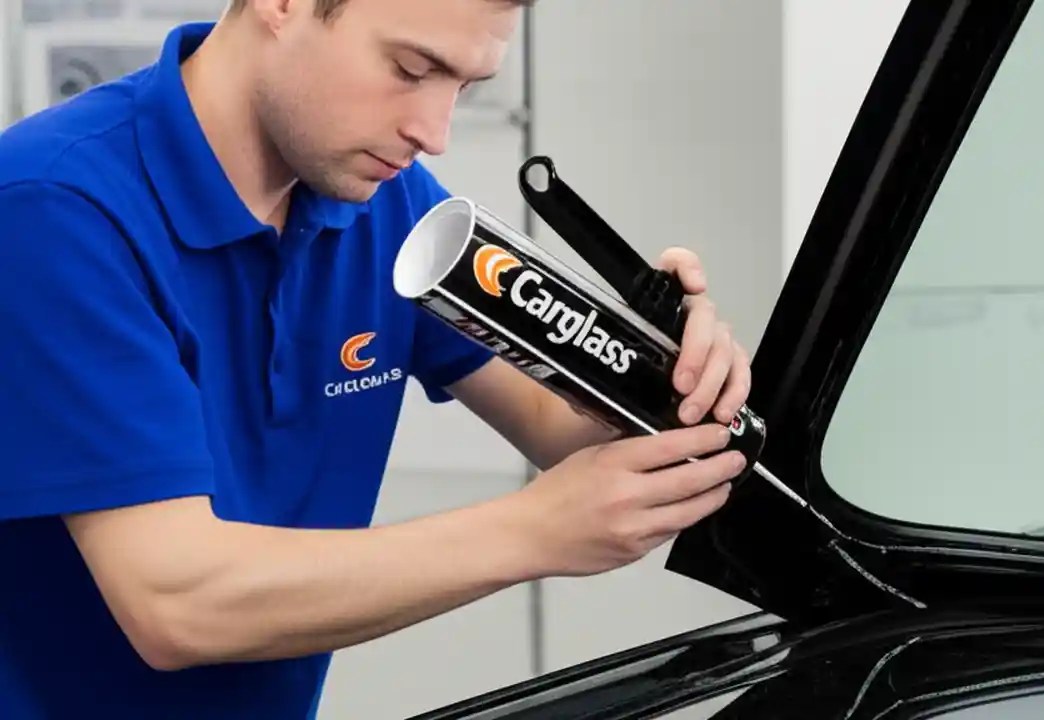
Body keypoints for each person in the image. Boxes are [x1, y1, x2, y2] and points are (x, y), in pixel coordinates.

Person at [0, 0, 754, 717]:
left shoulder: (383, 203)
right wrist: (536, 531)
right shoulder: (49, 209)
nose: (435, 131)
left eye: (463, 83)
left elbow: (558, 423)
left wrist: (660, 373)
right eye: (410, 68)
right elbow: (177, 604)